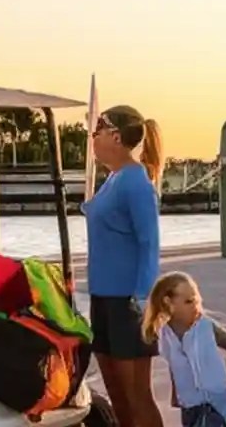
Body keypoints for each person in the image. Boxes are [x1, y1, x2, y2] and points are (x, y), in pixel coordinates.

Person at [82, 105, 164, 427]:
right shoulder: (113, 180)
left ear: (115, 136)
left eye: (96, 133)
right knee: (116, 395)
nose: (92, 139)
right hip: (102, 299)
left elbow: (149, 243)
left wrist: (144, 300)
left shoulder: (136, 183)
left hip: (127, 303)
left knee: (136, 396)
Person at [142, 271, 226, 426]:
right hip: (189, 405)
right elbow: (174, 366)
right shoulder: (165, 335)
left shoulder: (206, 326)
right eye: (188, 302)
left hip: (215, 403)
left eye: (196, 300)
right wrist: (176, 394)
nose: (195, 306)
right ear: (168, 302)